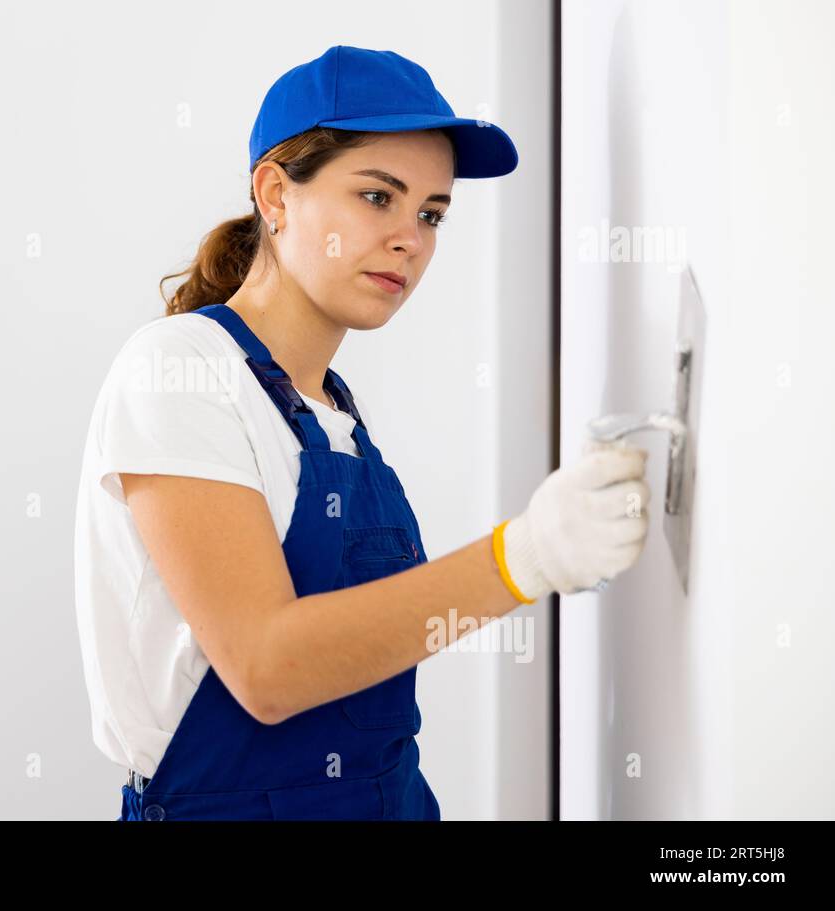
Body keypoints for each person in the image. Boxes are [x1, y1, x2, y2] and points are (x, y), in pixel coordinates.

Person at [73, 45, 651, 821]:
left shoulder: (337, 417)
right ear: (275, 194)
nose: (411, 237)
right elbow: (267, 667)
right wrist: (527, 555)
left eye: (431, 213)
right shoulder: (177, 371)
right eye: (379, 197)